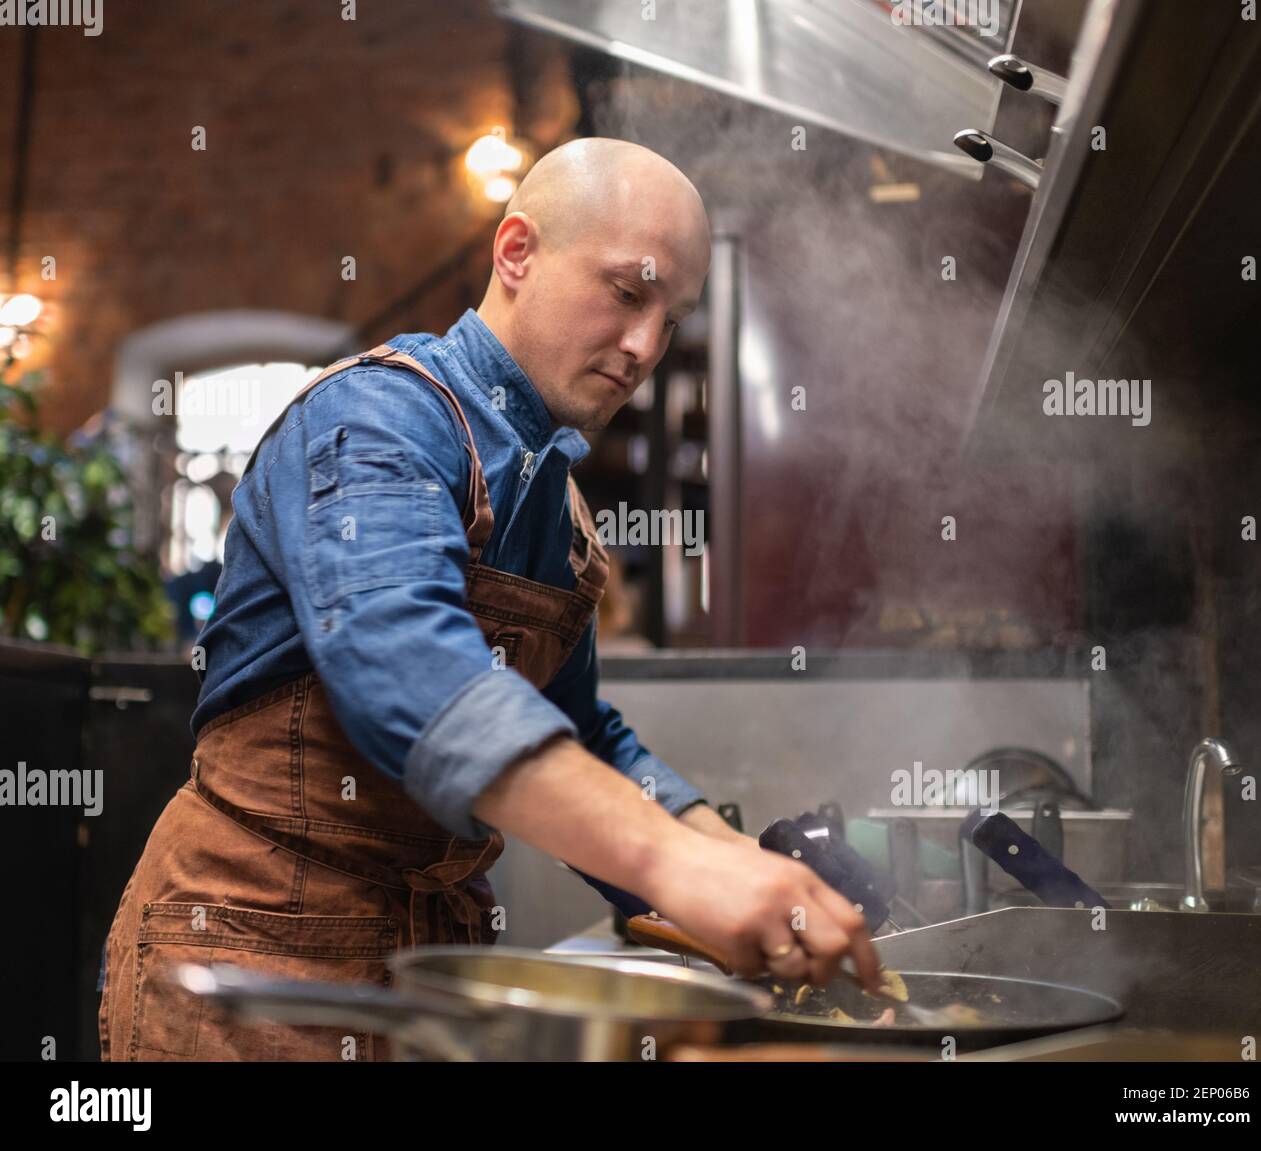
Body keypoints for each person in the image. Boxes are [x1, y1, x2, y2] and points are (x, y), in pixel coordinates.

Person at [99, 137, 881, 1061]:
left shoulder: (561, 505)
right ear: (516, 253)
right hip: (255, 955)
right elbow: (413, 670)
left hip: (436, 971)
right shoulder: (377, 420)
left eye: (671, 320)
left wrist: (734, 861)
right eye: (629, 292)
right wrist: (676, 864)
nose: (644, 348)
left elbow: (581, 732)